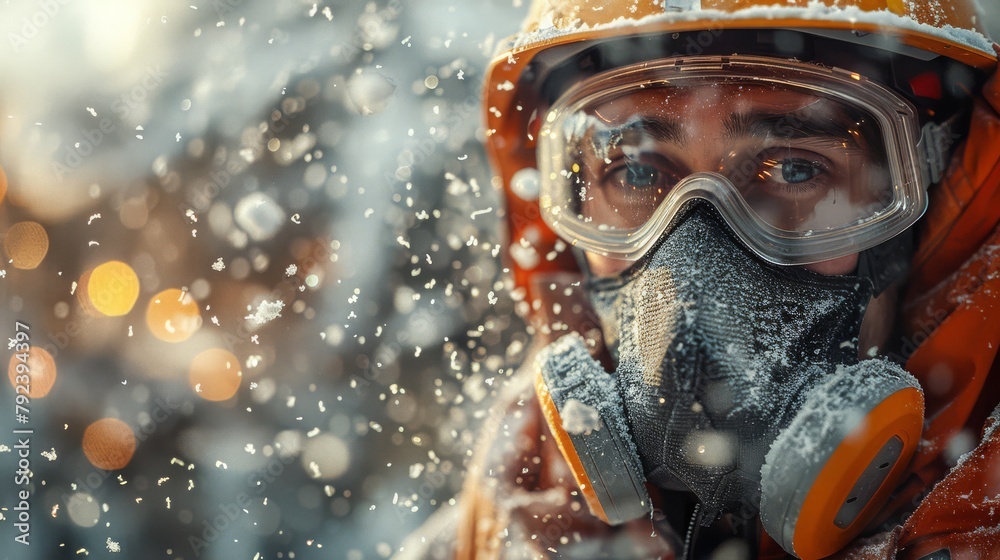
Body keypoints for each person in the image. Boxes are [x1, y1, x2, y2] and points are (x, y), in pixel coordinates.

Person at [399, 1, 1000, 558]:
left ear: (940, 206)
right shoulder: (495, 532)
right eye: (634, 175)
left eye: (794, 169)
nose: (697, 260)